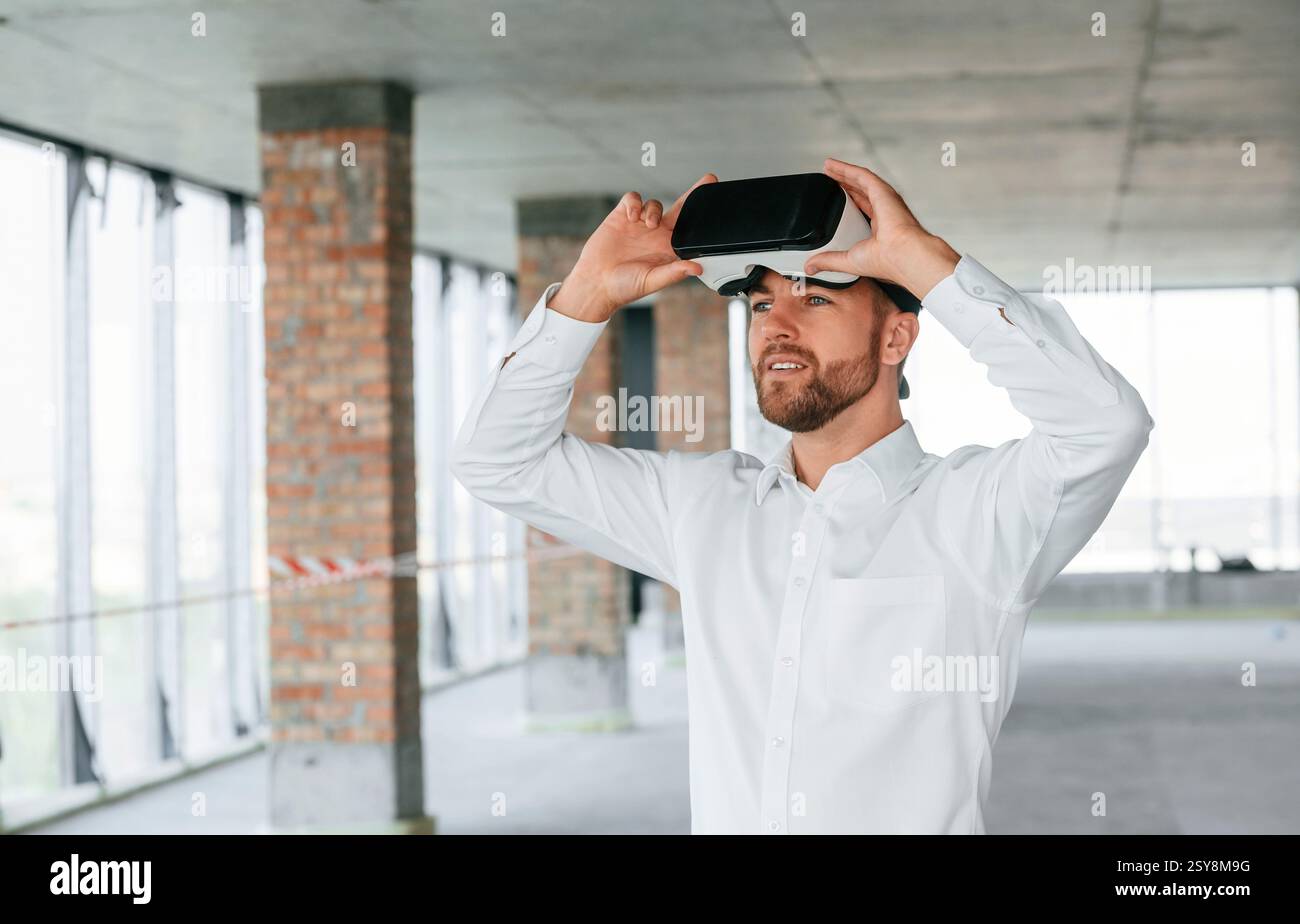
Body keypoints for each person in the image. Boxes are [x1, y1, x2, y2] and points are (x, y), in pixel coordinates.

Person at [451, 157, 1154, 834]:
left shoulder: (978, 514)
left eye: (815, 298)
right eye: (761, 305)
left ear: (896, 337)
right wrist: (585, 296)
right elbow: (497, 460)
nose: (776, 327)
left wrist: (928, 268)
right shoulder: (701, 507)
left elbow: (1105, 426)